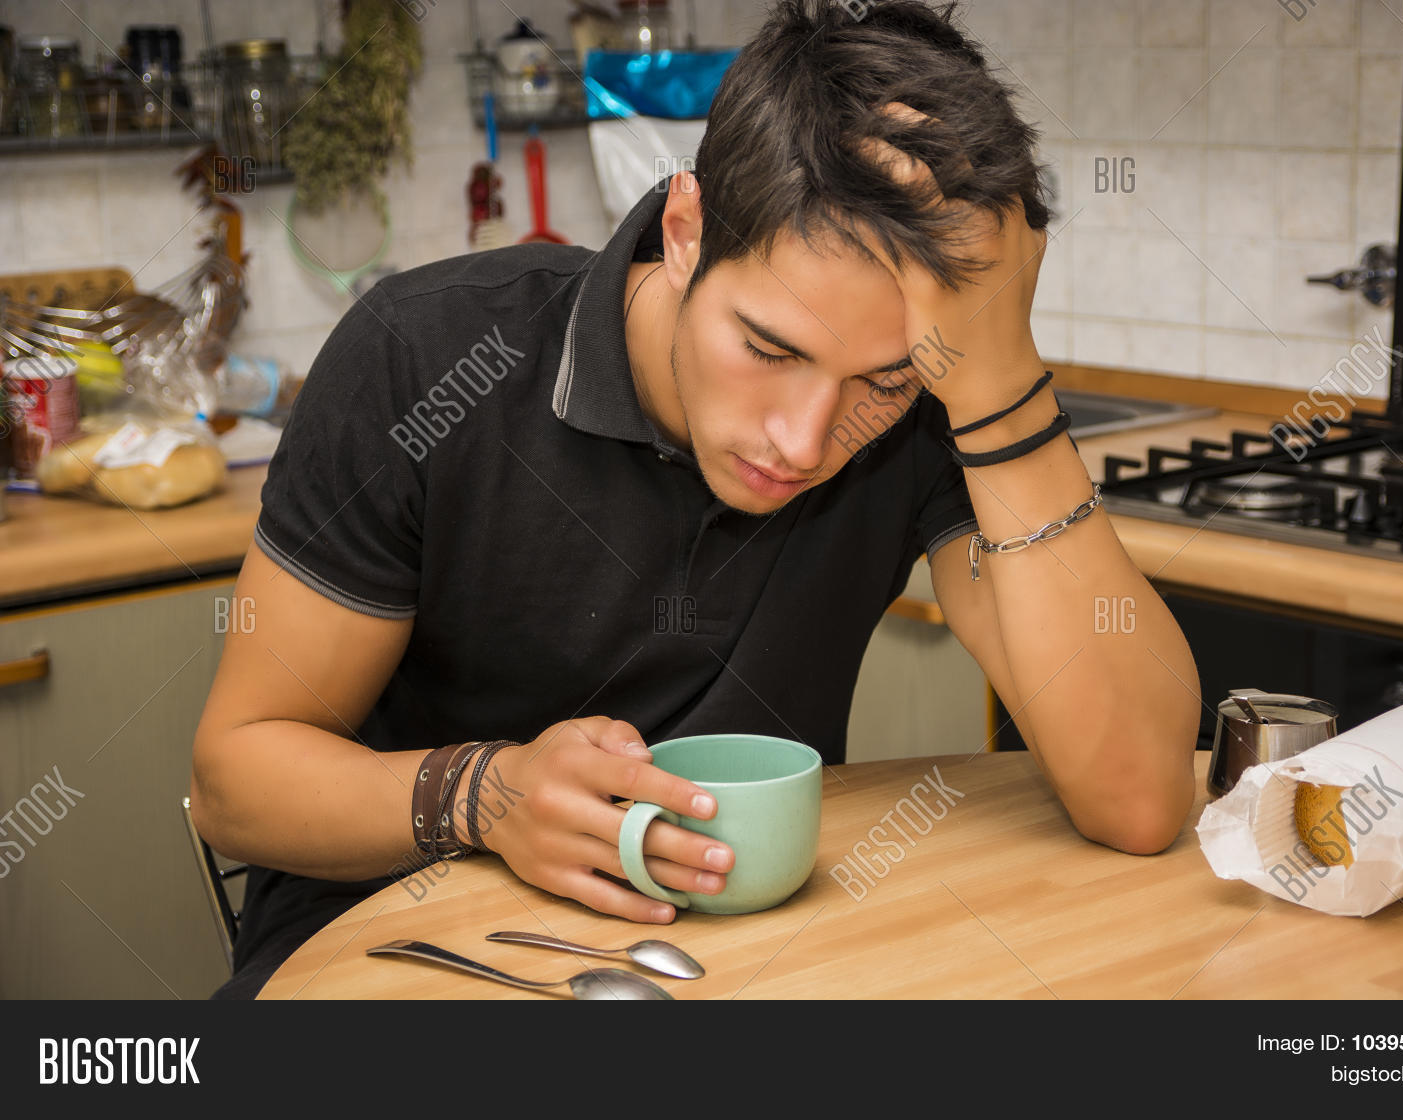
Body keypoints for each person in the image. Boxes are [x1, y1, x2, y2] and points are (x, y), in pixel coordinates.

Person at [192, 0, 1200, 999]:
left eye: (882, 381)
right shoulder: (425, 356)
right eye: (768, 349)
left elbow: (1139, 799)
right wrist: (480, 794)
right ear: (685, 230)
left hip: (731, 970)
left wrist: (1001, 384)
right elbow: (234, 783)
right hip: (388, 964)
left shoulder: (939, 407)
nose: (802, 441)